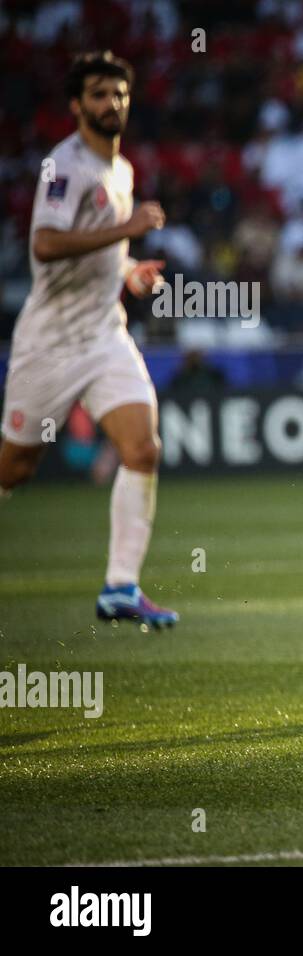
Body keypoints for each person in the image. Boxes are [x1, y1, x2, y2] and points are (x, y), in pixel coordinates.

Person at [0, 51, 177, 627]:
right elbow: (46, 245)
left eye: (119, 95)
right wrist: (126, 228)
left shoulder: (120, 170)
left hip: (104, 333)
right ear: (77, 105)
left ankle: (120, 587)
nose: (111, 104)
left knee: (143, 448)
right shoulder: (63, 166)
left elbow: (107, 248)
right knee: (15, 469)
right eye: (99, 95)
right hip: (49, 341)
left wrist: (130, 273)